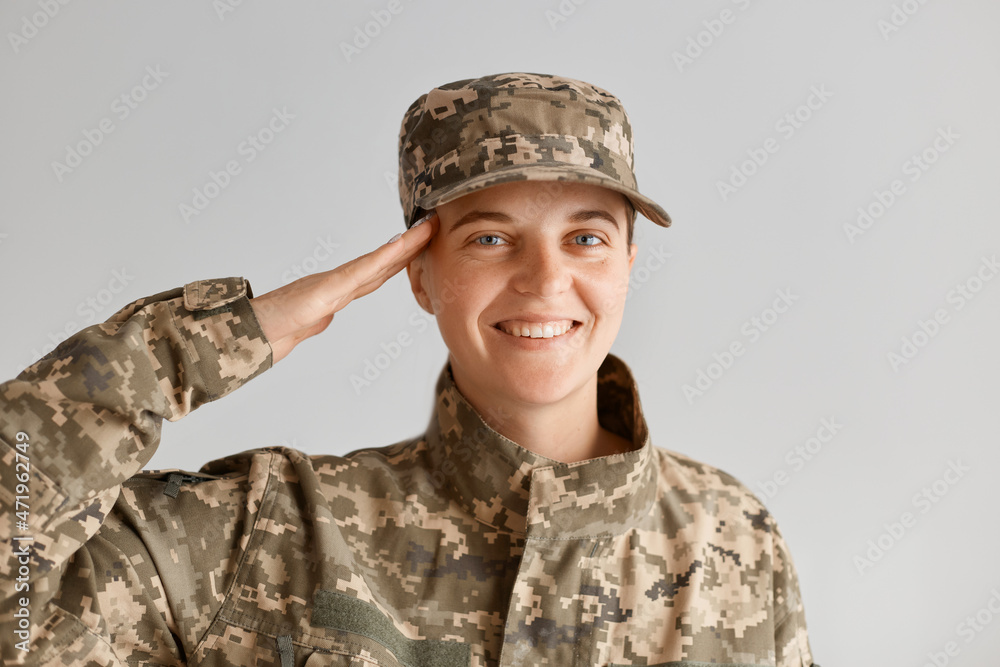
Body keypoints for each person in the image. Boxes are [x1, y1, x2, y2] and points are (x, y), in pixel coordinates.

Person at [0, 72, 817, 666]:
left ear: (629, 262)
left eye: (586, 237)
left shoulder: (732, 539)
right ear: (419, 274)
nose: (543, 279)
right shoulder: (272, 531)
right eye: (490, 237)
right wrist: (218, 339)